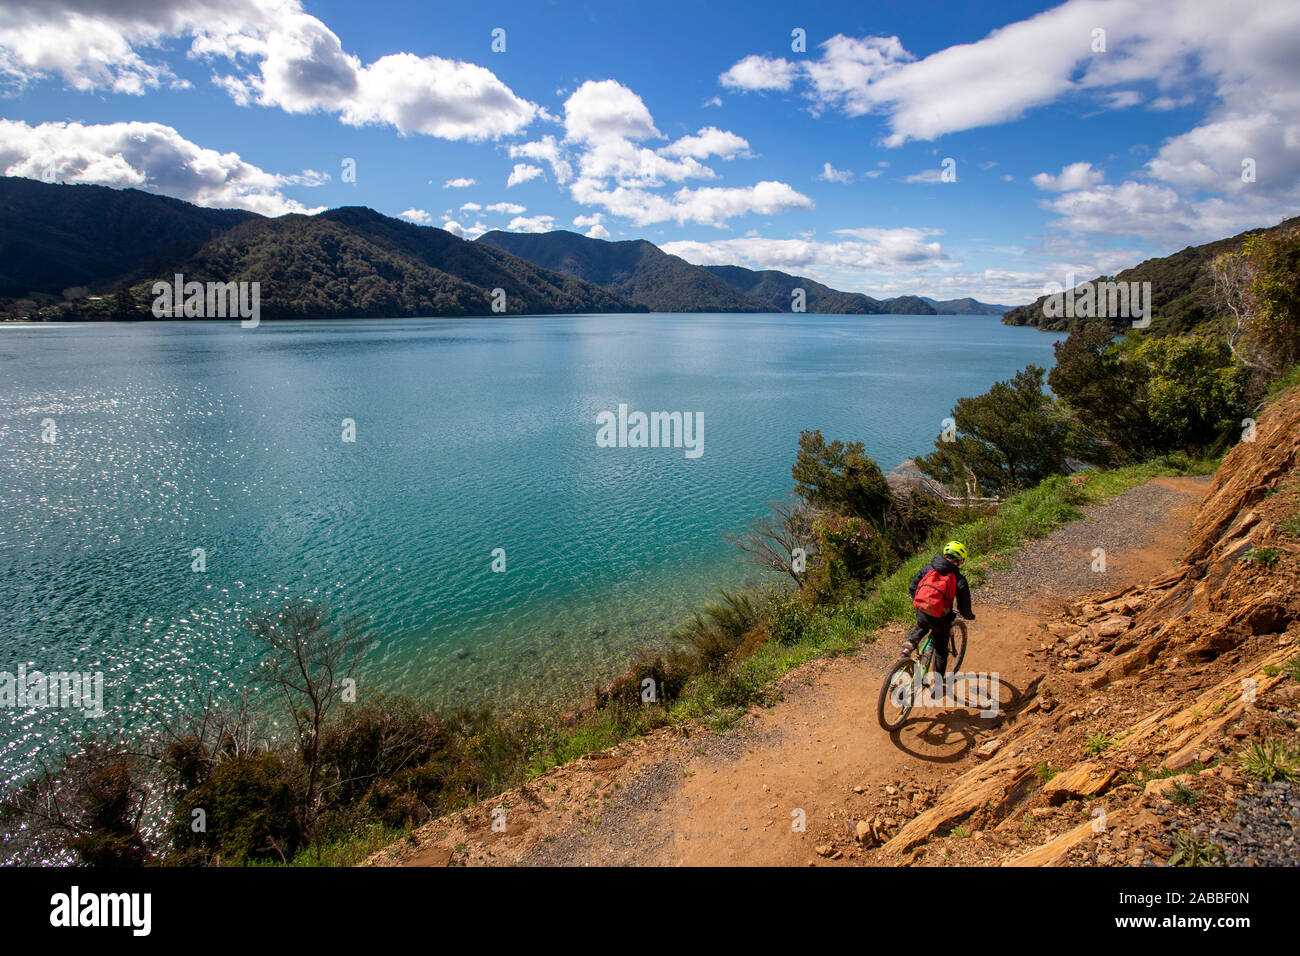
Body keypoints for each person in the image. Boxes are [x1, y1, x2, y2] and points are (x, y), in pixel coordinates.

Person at [902, 540, 974, 674]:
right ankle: (938, 686)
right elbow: (964, 606)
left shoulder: (928, 568)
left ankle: (909, 646)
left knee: (923, 624)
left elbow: (913, 586)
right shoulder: (959, 579)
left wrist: (921, 602)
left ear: (945, 554)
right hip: (941, 618)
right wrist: (968, 615)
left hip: (922, 612)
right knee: (941, 650)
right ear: (961, 560)